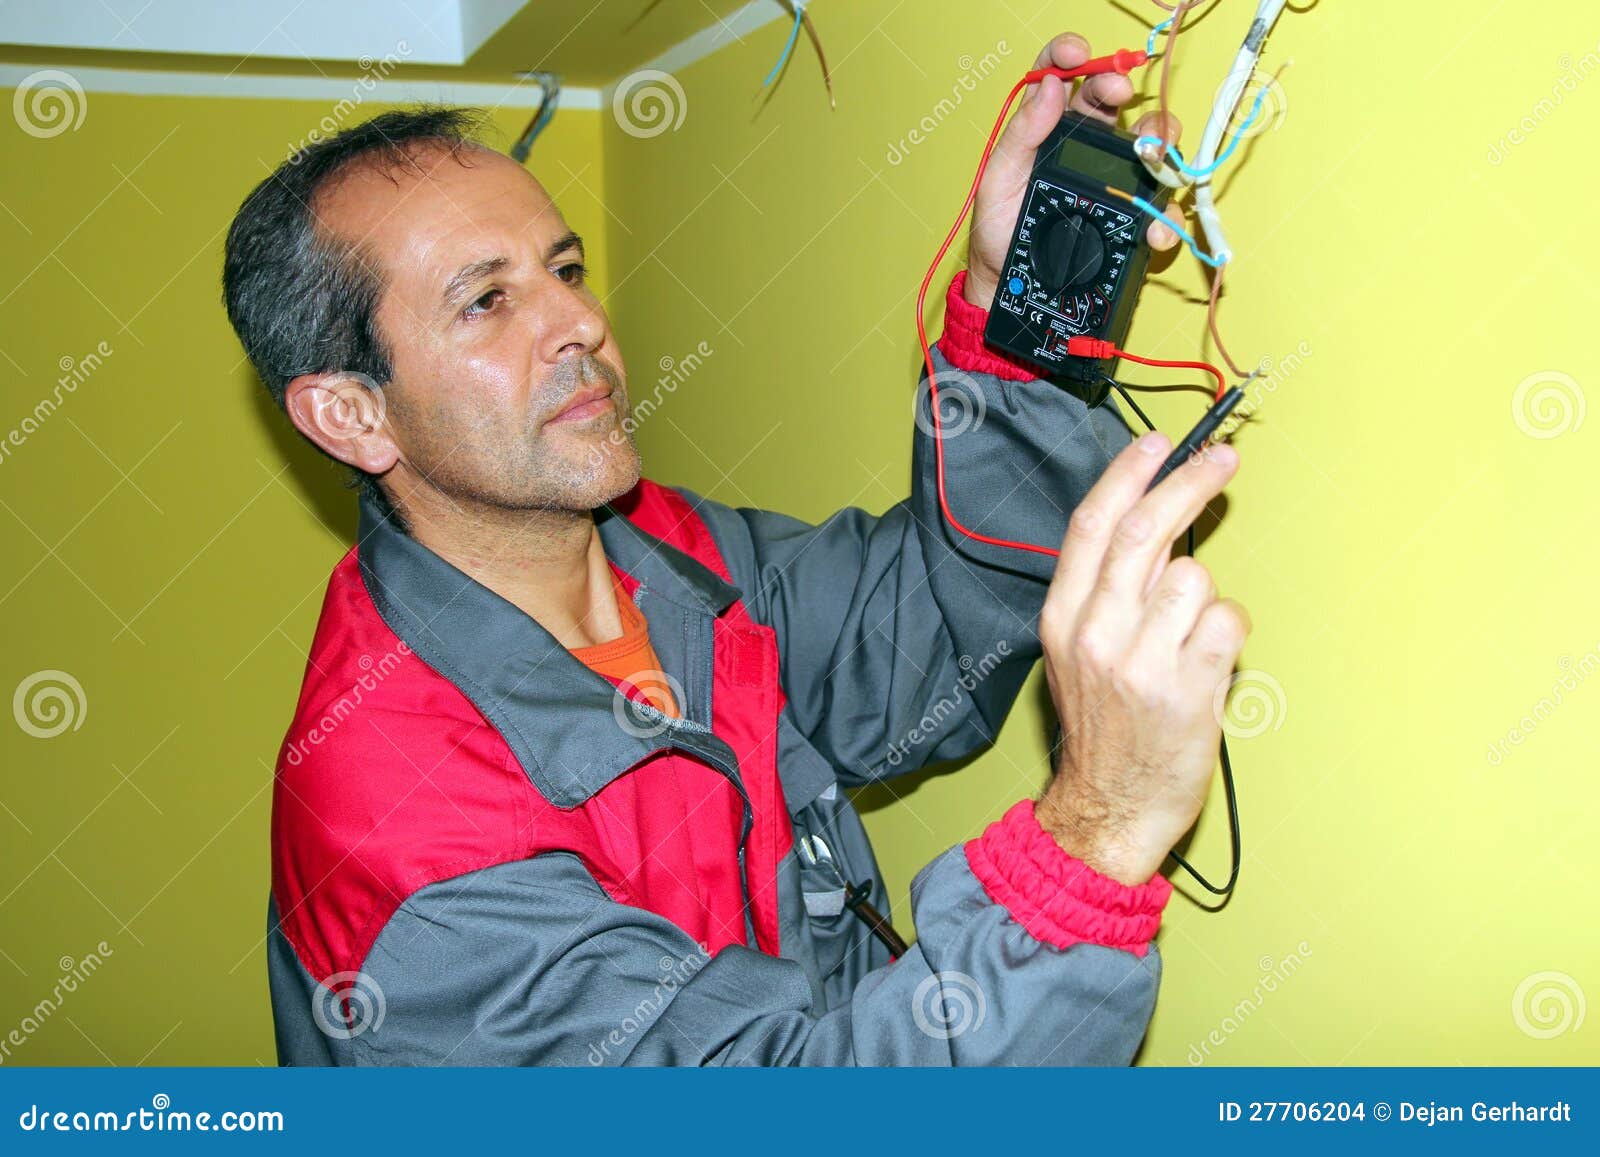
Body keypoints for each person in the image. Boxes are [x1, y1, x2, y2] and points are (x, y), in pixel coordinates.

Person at [221, 31, 1249, 1066]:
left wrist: (1017, 299)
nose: (579, 319)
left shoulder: (669, 553)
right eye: (487, 300)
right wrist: (1098, 833)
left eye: (565, 268)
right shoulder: (393, 820)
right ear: (352, 415)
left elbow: (937, 630)